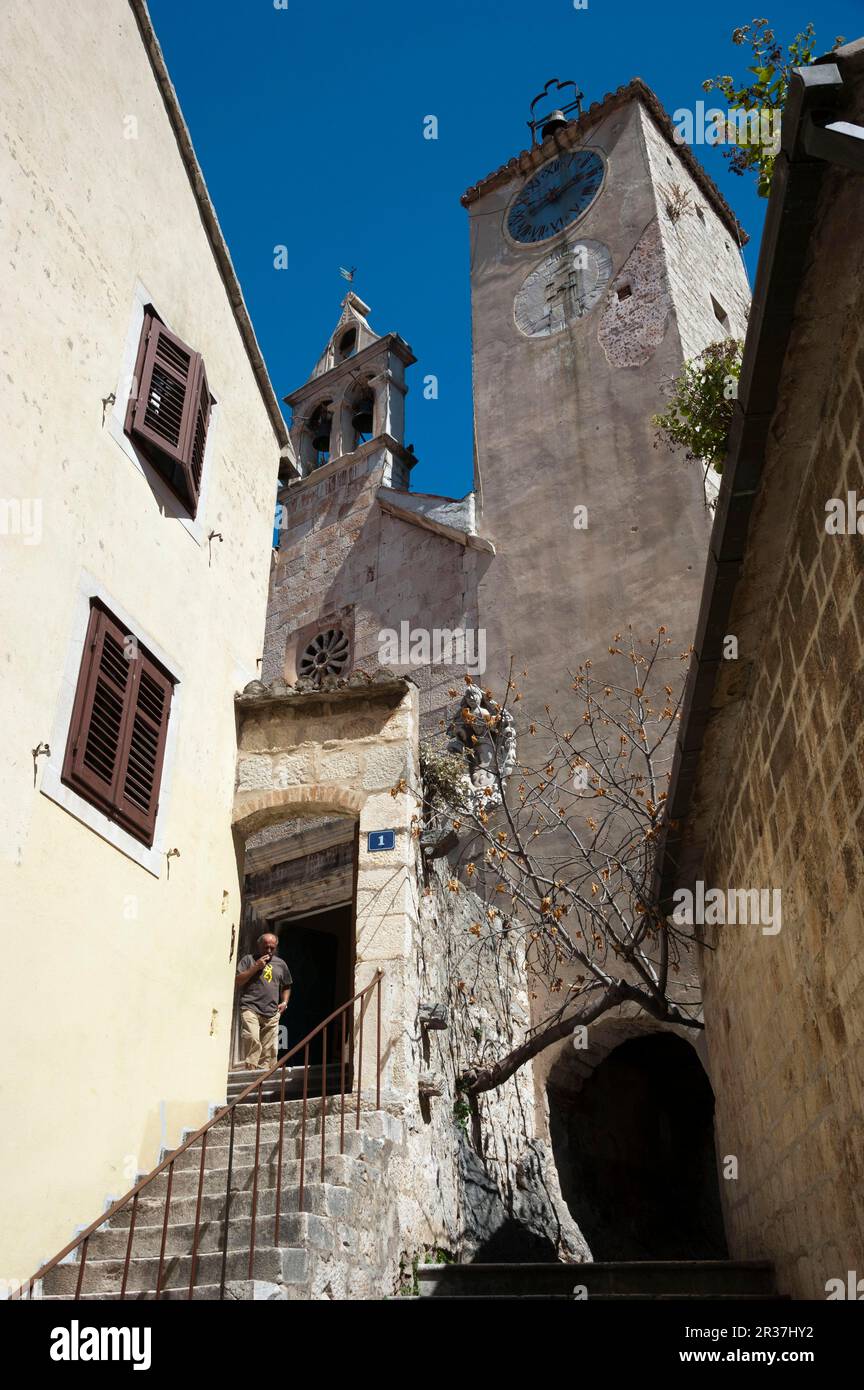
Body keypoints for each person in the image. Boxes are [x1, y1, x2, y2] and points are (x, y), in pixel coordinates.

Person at [234, 932, 292, 1072]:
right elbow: (238, 981)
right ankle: (251, 1071)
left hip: (271, 1012)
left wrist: (284, 1002)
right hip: (250, 1007)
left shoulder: (280, 964)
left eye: (272, 948)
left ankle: (261, 1078)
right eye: (266, 947)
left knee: (268, 1049)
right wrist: (256, 967)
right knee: (253, 1039)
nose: (269, 951)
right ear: (259, 945)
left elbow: (287, 985)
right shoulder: (248, 960)